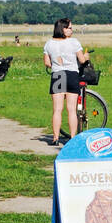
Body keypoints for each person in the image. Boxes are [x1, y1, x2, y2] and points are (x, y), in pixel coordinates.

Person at [43, 18, 90, 147]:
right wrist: (86, 57)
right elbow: (81, 60)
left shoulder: (49, 44)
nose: (71, 30)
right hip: (72, 75)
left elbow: (47, 63)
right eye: (69, 27)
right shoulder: (74, 42)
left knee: (57, 109)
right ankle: (73, 138)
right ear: (63, 29)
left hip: (58, 75)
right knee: (71, 110)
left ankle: (55, 138)